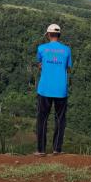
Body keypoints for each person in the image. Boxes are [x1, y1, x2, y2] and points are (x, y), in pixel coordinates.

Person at [34, 23, 72, 156]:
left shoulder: (41, 48)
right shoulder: (67, 50)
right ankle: (57, 149)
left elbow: (39, 64)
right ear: (59, 35)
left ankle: (41, 150)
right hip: (61, 89)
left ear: (48, 35)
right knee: (60, 119)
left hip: (44, 89)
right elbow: (68, 68)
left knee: (42, 119)